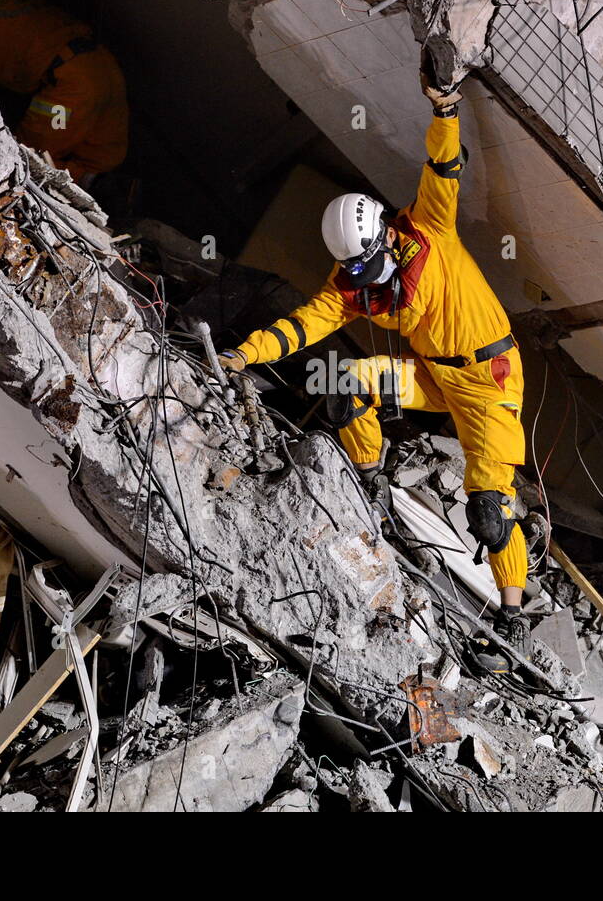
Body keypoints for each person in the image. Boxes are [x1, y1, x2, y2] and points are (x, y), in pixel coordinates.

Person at [218, 77, 531, 670]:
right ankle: (371, 483)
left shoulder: (428, 229)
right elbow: (304, 324)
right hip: (434, 376)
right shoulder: (353, 284)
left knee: (489, 508)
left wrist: (445, 107)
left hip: (488, 380)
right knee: (346, 381)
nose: (369, 282)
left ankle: (512, 620)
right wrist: (245, 355)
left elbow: (443, 167)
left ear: (386, 233)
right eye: (357, 272)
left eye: (371, 265)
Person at [0, 0, 128, 184]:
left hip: (71, 88)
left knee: (31, 153)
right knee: (88, 140)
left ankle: (78, 181)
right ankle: (91, 176)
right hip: (98, 65)